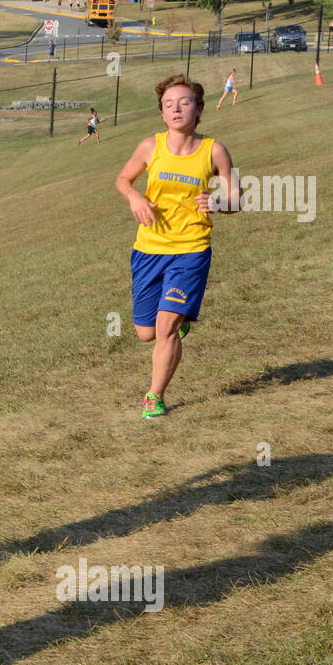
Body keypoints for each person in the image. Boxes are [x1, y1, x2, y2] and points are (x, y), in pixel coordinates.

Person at [114, 74, 235, 420]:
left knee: (165, 325)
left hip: (191, 250)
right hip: (149, 249)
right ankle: (175, 320)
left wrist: (218, 203)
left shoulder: (215, 150)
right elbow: (122, 180)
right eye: (169, 105)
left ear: (198, 109)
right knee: (146, 333)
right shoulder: (150, 147)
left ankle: (155, 395)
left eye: (184, 102)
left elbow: (237, 196)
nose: (176, 109)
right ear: (163, 114)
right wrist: (135, 197)